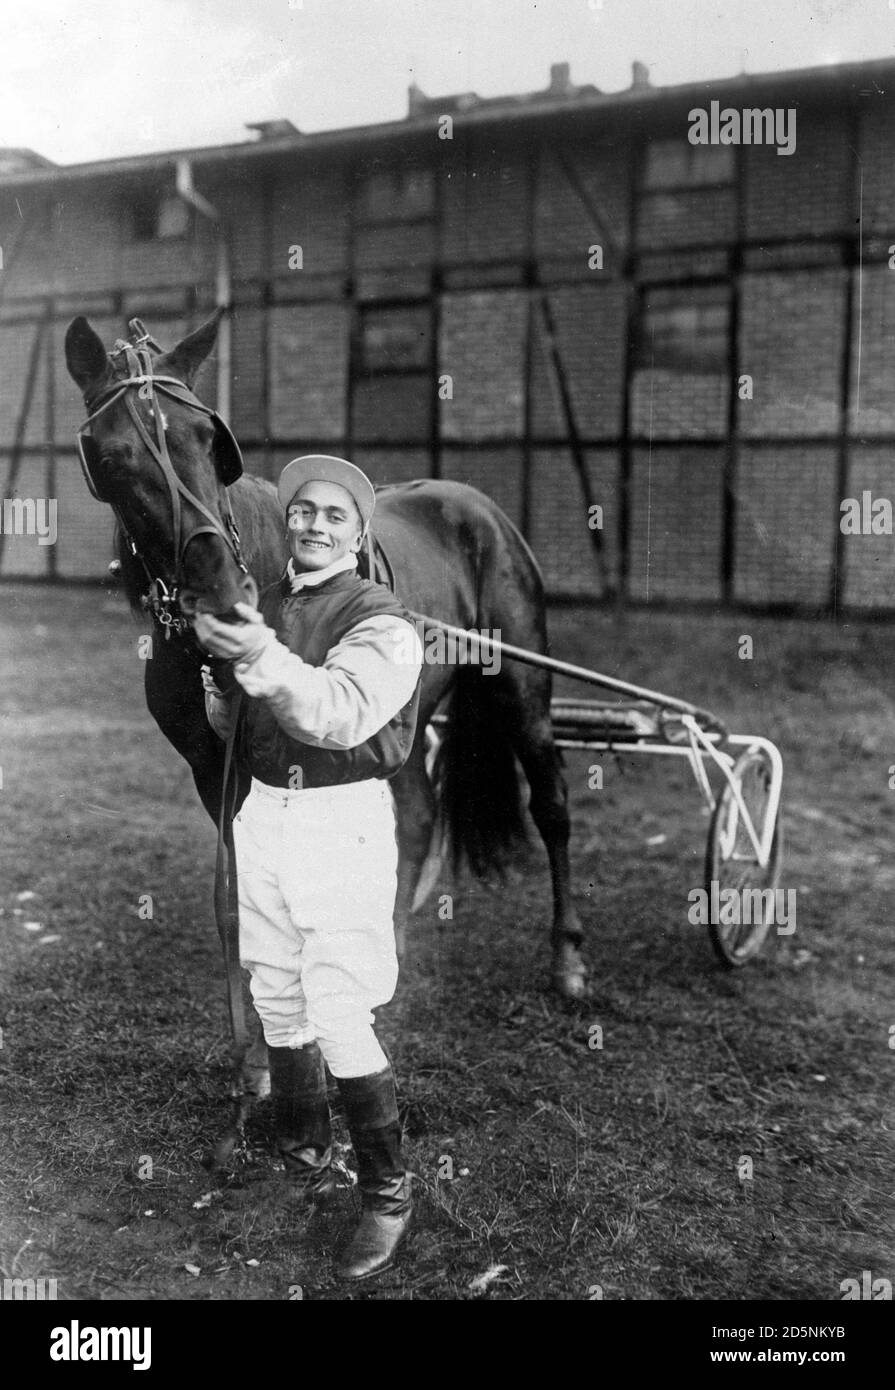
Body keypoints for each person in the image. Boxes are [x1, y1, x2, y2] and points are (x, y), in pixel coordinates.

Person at [193, 455, 423, 1281]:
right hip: (265, 812)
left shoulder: (382, 622)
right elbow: (237, 723)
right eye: (301, 511)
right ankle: (302, 1138)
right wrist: (222, 676)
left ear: (359, 532)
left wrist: (254, 649)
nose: (313, 524)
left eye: (333, 514)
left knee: (336, 1000)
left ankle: (387, 1194)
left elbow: (335, 713)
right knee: (275, 983)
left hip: (340, 820)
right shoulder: (271, 601)